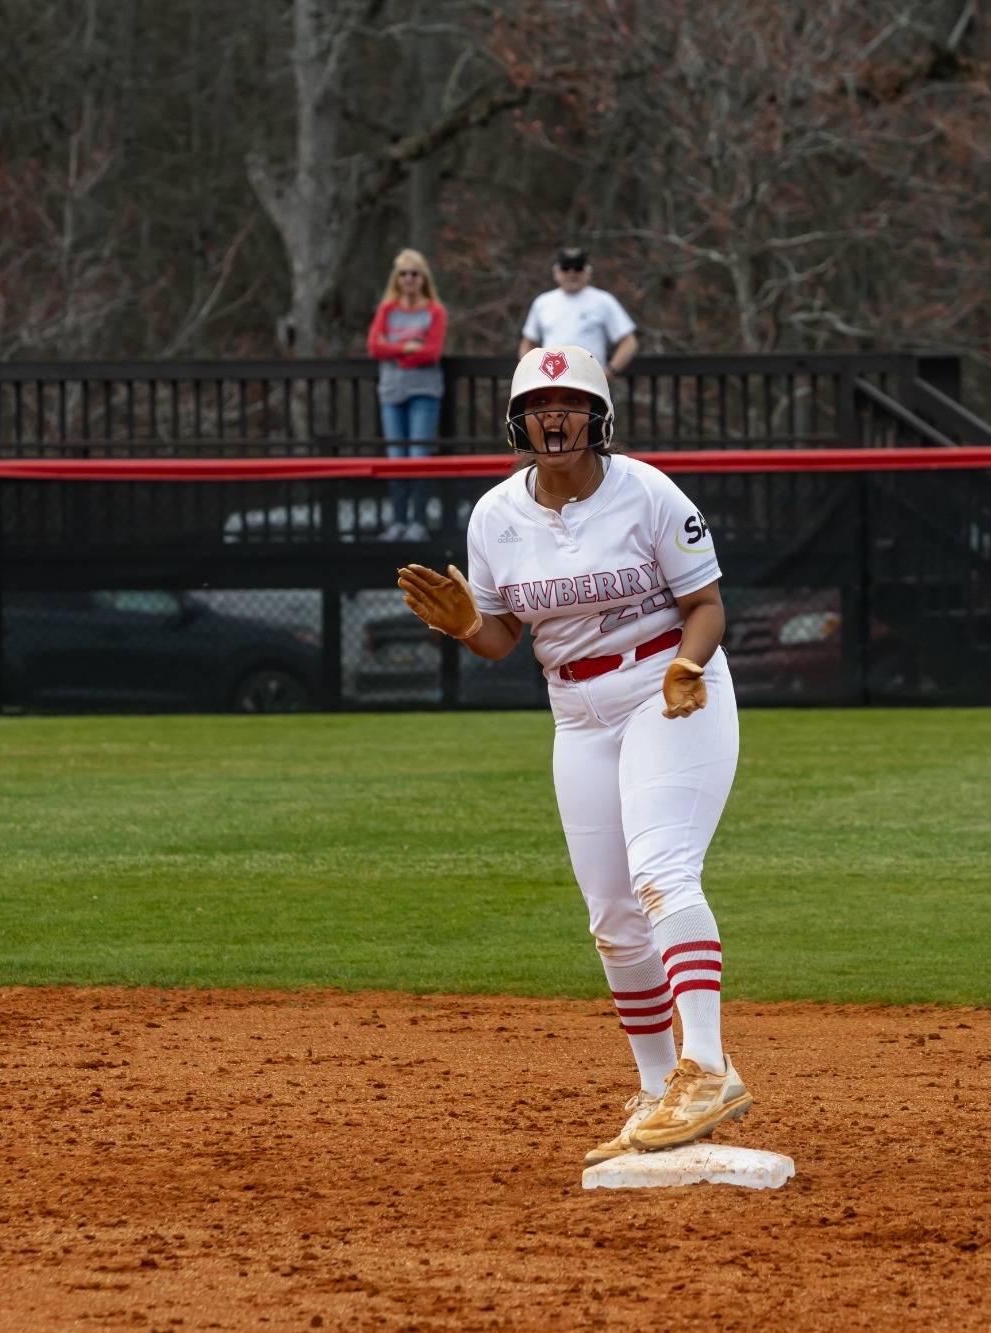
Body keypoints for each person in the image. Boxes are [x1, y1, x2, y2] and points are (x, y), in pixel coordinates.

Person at [395, 345, 748, 1164]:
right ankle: (658, 1093)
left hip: (667, 685)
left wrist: (688, 665)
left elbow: (706, 604)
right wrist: (465, 625)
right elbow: (502, 637)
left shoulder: (647, 492)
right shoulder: (495, 516)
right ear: (518, 422)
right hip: (577, 712)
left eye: (571, 402)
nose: (554, 416)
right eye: (539, 404)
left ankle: (707, 1066)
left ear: (598, 417)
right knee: (613, 919)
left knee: (662, 870)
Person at [367, 249, 448, 541]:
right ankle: (398, 522)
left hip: (424, 392)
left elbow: (431, 352)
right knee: (395, 459)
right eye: (403, 274)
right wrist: (406, 347)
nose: (409, 279)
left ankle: (418, 522)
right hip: (391, 393)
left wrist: (395, 353)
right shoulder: (387, 310)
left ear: (423, 277)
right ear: (396, 278)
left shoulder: (435, 311)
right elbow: (374, 347)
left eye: (414, 273)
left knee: (418, 458)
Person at [518, 248, 637, 378]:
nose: (572, 273)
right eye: (566, 268)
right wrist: (531, 372)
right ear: (557, 271)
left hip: (590, 380)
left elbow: (629, 342)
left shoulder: (603, 301)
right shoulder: (542, 302)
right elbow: (527, 343)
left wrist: (610, 371)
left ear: (587, 271)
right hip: (552, 380)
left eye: (578, 268)